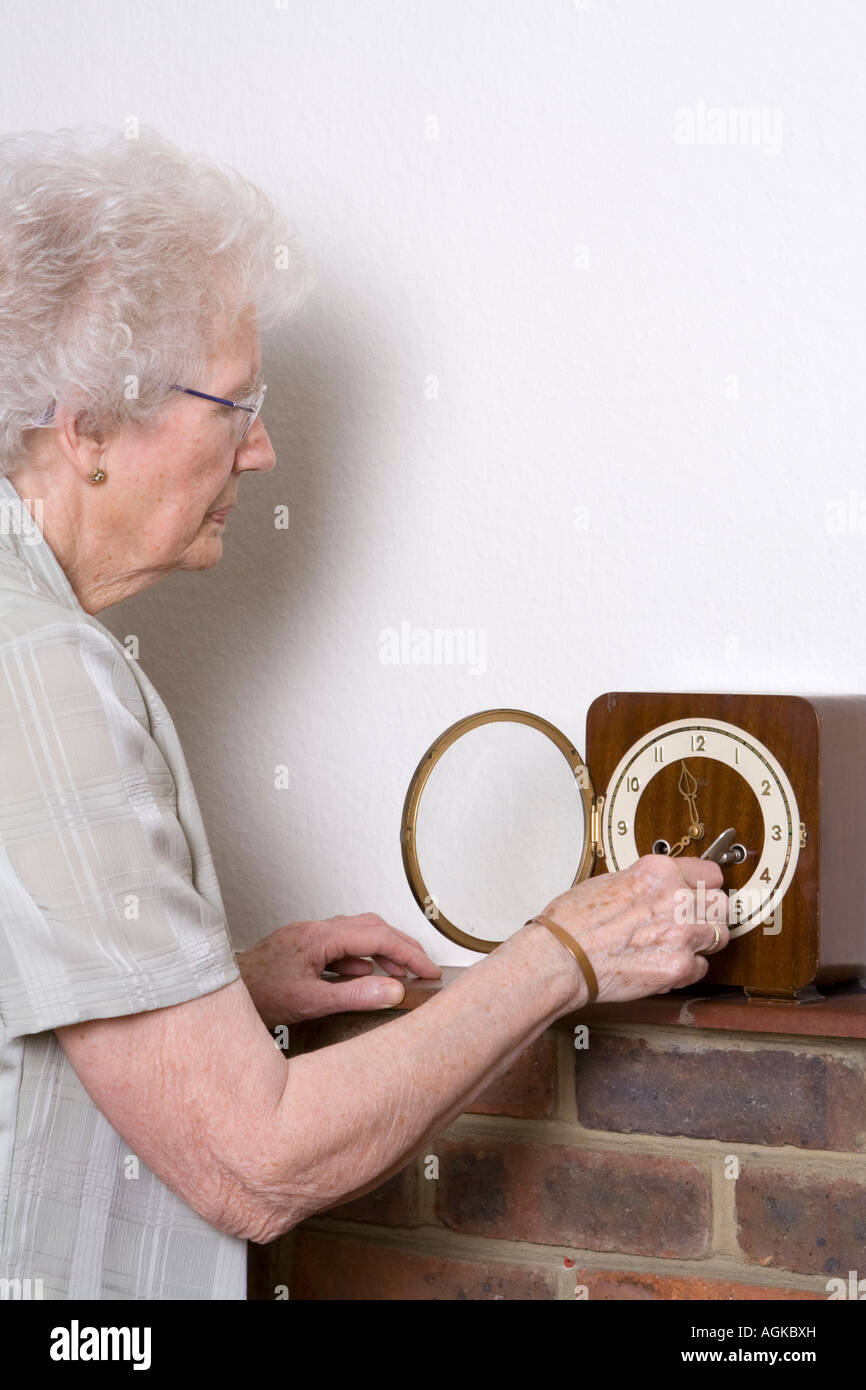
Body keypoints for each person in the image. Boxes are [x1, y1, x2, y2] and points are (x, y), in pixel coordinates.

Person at [0, 123, 728, 1301]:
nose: (264, 448)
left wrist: (219, 987)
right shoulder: (43, 673)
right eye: (232, 403)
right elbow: (254, 1161)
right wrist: (564, 956)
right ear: (86, 427)